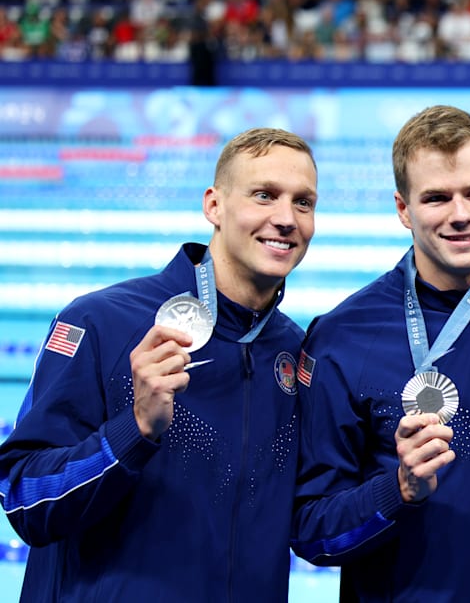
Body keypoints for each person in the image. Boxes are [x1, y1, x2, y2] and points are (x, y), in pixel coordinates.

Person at [0, 128, 319, 601]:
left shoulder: (296, 352)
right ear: (214, 205)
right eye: (264, 195)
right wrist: (134, 430)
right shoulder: (102, 321)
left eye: (303, 203)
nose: (285, 218)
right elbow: (25, 497)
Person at [290, 105, 470, 601]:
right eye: (436, 198)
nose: (461, 214)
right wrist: (398, 490)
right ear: (403, 209)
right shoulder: (343, 338)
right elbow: (312, 531)